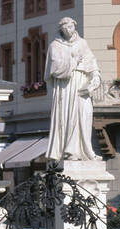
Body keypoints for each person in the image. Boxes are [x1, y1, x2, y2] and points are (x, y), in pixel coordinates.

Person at [44, 17, 102, 162]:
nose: (68, 31)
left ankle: (85, 150)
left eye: (70, 27)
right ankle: (69, 151)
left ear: (74, 27)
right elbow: (55, 68)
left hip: (82, 85)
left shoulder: (82, 43)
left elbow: (92, 62)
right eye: (65, 29)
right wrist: (73, 61)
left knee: (84, 116)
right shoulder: (55, 46)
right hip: (65, 87)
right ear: (61, 30)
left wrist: (95, 78)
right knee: (67, 117)